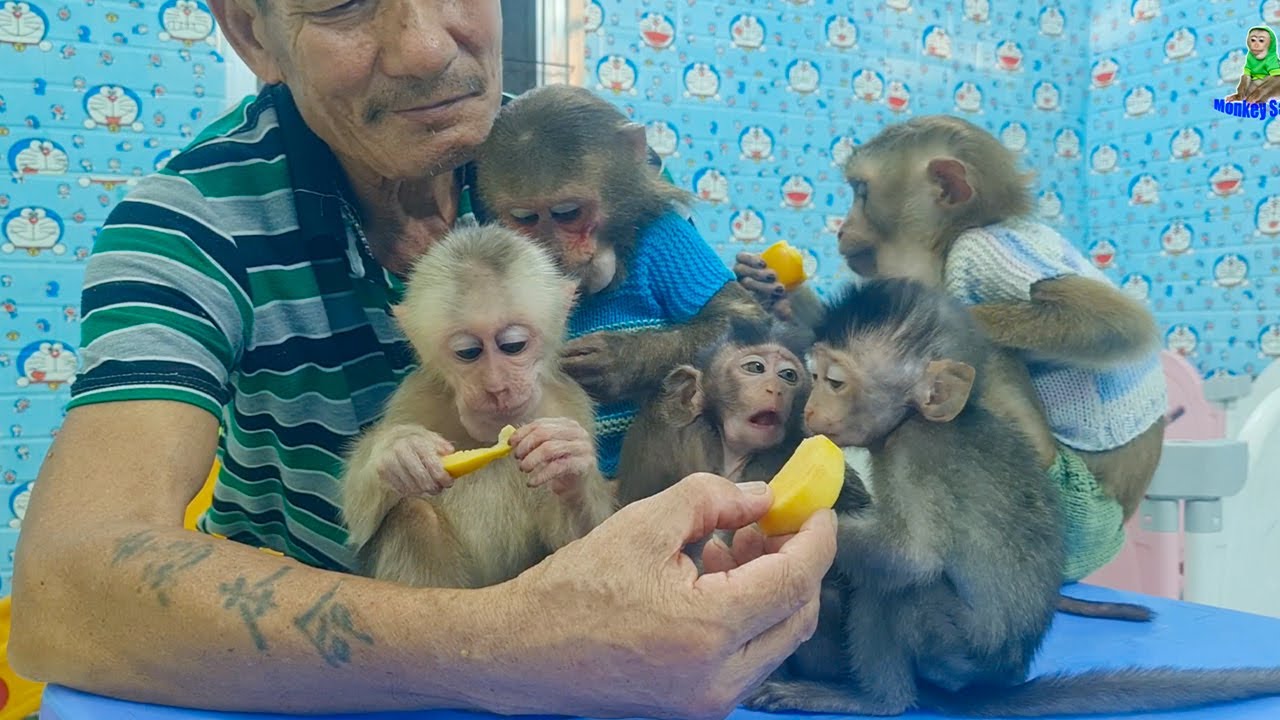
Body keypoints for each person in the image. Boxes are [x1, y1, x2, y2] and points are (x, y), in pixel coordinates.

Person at [7, 1, 837, 716]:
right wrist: (517, 643)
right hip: (327, 671)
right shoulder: (192, 225)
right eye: (343, 2)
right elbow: (62, 594)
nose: (426, 50)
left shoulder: (559, 155)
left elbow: (732, 347)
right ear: (252, 31)